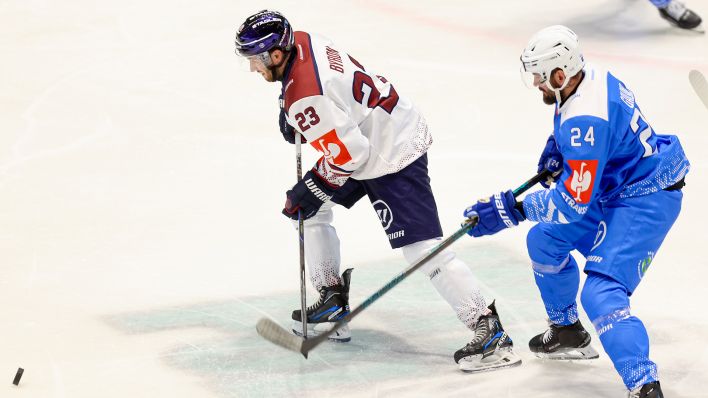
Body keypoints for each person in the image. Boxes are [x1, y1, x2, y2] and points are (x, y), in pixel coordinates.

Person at [234, 10, 521, 372]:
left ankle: (490, 330)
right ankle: (331, 300)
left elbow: (351, 154)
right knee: (308, 210)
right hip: (374, 127)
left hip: (391, 151)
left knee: (420, 249)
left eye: (256, 60)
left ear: (277, 54)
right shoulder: (303, 40)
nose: (253, 68)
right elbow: (333, 101)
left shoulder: (305, 97)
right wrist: (299, 114)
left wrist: (314, 182)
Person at [463, 25, 689, 397]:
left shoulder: (586, 120)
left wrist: (512, 209)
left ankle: (644, 385)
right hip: (618, 185)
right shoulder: (586, 78)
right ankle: (567, 331)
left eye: (539, 75)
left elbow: (571, 204)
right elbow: (594, 147)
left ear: (559, 74)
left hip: (645, 197)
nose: (535, 82)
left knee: (601, 294)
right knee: (544, 241)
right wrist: (558, 145)